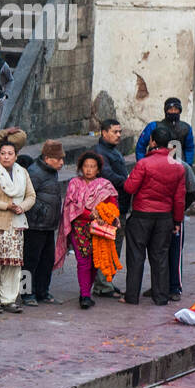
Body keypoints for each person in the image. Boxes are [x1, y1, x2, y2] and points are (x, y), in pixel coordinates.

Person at [136, 99, 194, 301]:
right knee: (158, 252)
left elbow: (187, 194)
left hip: (161, 213)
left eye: (176, 109)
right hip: (164, 214)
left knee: (167, 252)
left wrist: (178, 217)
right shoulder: (147, 163)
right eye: (170, 108)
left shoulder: (183, 166)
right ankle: (160, 287)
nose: (173, 112)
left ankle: (174, 287)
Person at [123, 125, 185, 306]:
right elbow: (179, 199)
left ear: (153, 142)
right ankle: (161, 297)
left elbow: (130, 188)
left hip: (142, 215)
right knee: (160, 257)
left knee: (136, 256)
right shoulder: (178, 168)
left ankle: (132, 296)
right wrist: (177, 221)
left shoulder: (143, 164)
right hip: (164, 217)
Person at [0, 131, 36, 313]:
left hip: (17, 223)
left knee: (13, 263)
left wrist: (22, 207)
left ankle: (9, 299)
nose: (6, 157)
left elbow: (31, 196)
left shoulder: (22, 172)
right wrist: (6, 206)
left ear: (15, 156)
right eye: (3, 153)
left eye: (10, 154)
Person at [55, 152, 119, 309]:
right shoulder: (74, 184)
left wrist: (105, 214)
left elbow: (113, 204)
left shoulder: (105, 185)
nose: (89, 170)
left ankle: (86, 291)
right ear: (80, 168)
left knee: (95, 262)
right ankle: (84, 295)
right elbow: (71, 205)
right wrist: (89, 214)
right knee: (83, 262)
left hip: (99, 229)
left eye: (92, 167)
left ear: (98, 170)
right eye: (86, 166)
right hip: (80, 228)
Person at [22, 140, 65, 306]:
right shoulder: (34, 172)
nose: (61, 163)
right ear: (47, 158)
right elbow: (27, 197)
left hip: (48, 225)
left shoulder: (51, 171)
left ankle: (42, 291)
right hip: (35, 225)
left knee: (47, 260)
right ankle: (26, 293)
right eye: (58, 159)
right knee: (30, 261)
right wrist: (42, 211)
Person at [93, 119, 128, 297]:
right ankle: (102, 284)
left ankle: (107, 281)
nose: (119, 135)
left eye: (120, 132)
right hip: (108, 207)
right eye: (115, 132)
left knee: (114, 246)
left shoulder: (112, 151)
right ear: (104, 133)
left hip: (119, 205)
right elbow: (108, 176)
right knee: (107, 246)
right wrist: (129, 183)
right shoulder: (99, 153)